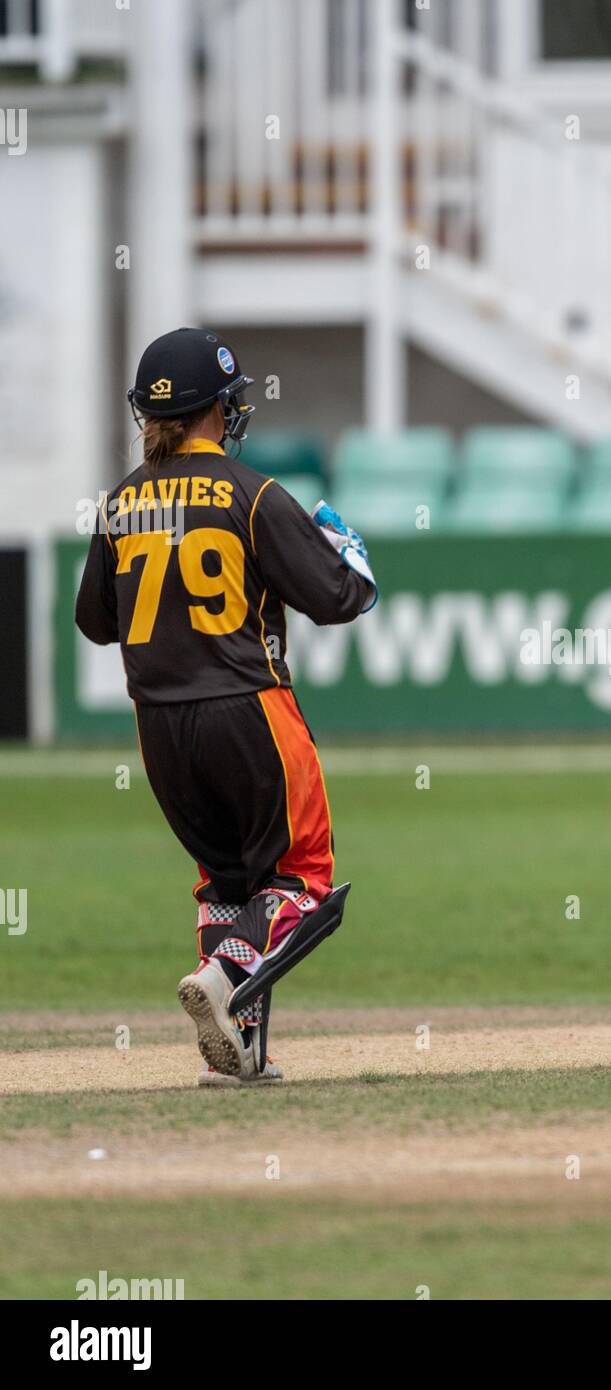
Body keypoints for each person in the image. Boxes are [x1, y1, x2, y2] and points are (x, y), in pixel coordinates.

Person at [75, 327, 377, 1085]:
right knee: (303, 879)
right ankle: (226, 981)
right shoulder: (254, 493)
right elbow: (338, 599)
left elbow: (94, 621)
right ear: (219, 409)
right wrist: (353, 556)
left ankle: (240, 1054)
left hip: (158, 726)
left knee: (227, 881)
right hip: (250, 708)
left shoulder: (119, 503)